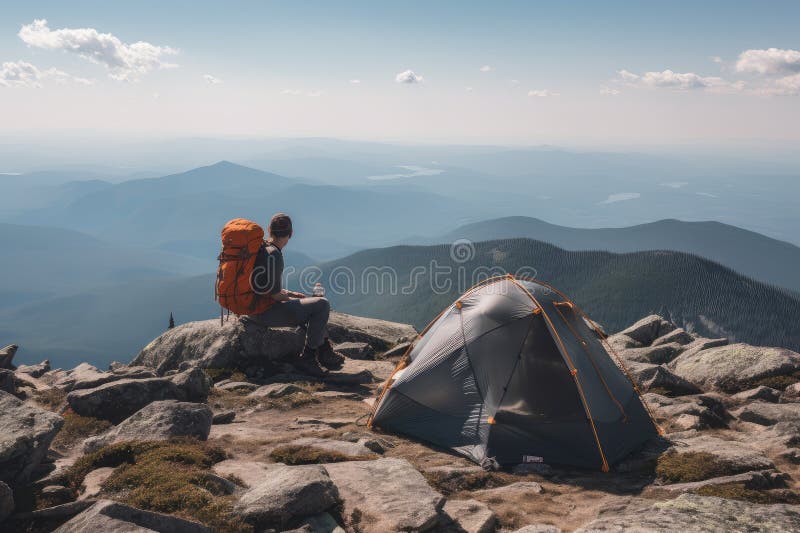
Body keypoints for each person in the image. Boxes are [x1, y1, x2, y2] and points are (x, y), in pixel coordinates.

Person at [243, 213, 343, 377]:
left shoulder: (262, 248)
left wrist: (290, 294)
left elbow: (265, 287)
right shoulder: (274, 255)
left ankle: (325, 351)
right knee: (322, 304)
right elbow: (274, 295)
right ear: (291, 233)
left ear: (270, 230)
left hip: (252, 309)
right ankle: (308, 358)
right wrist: (291, 299)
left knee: (308, 305)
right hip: (263, 314)